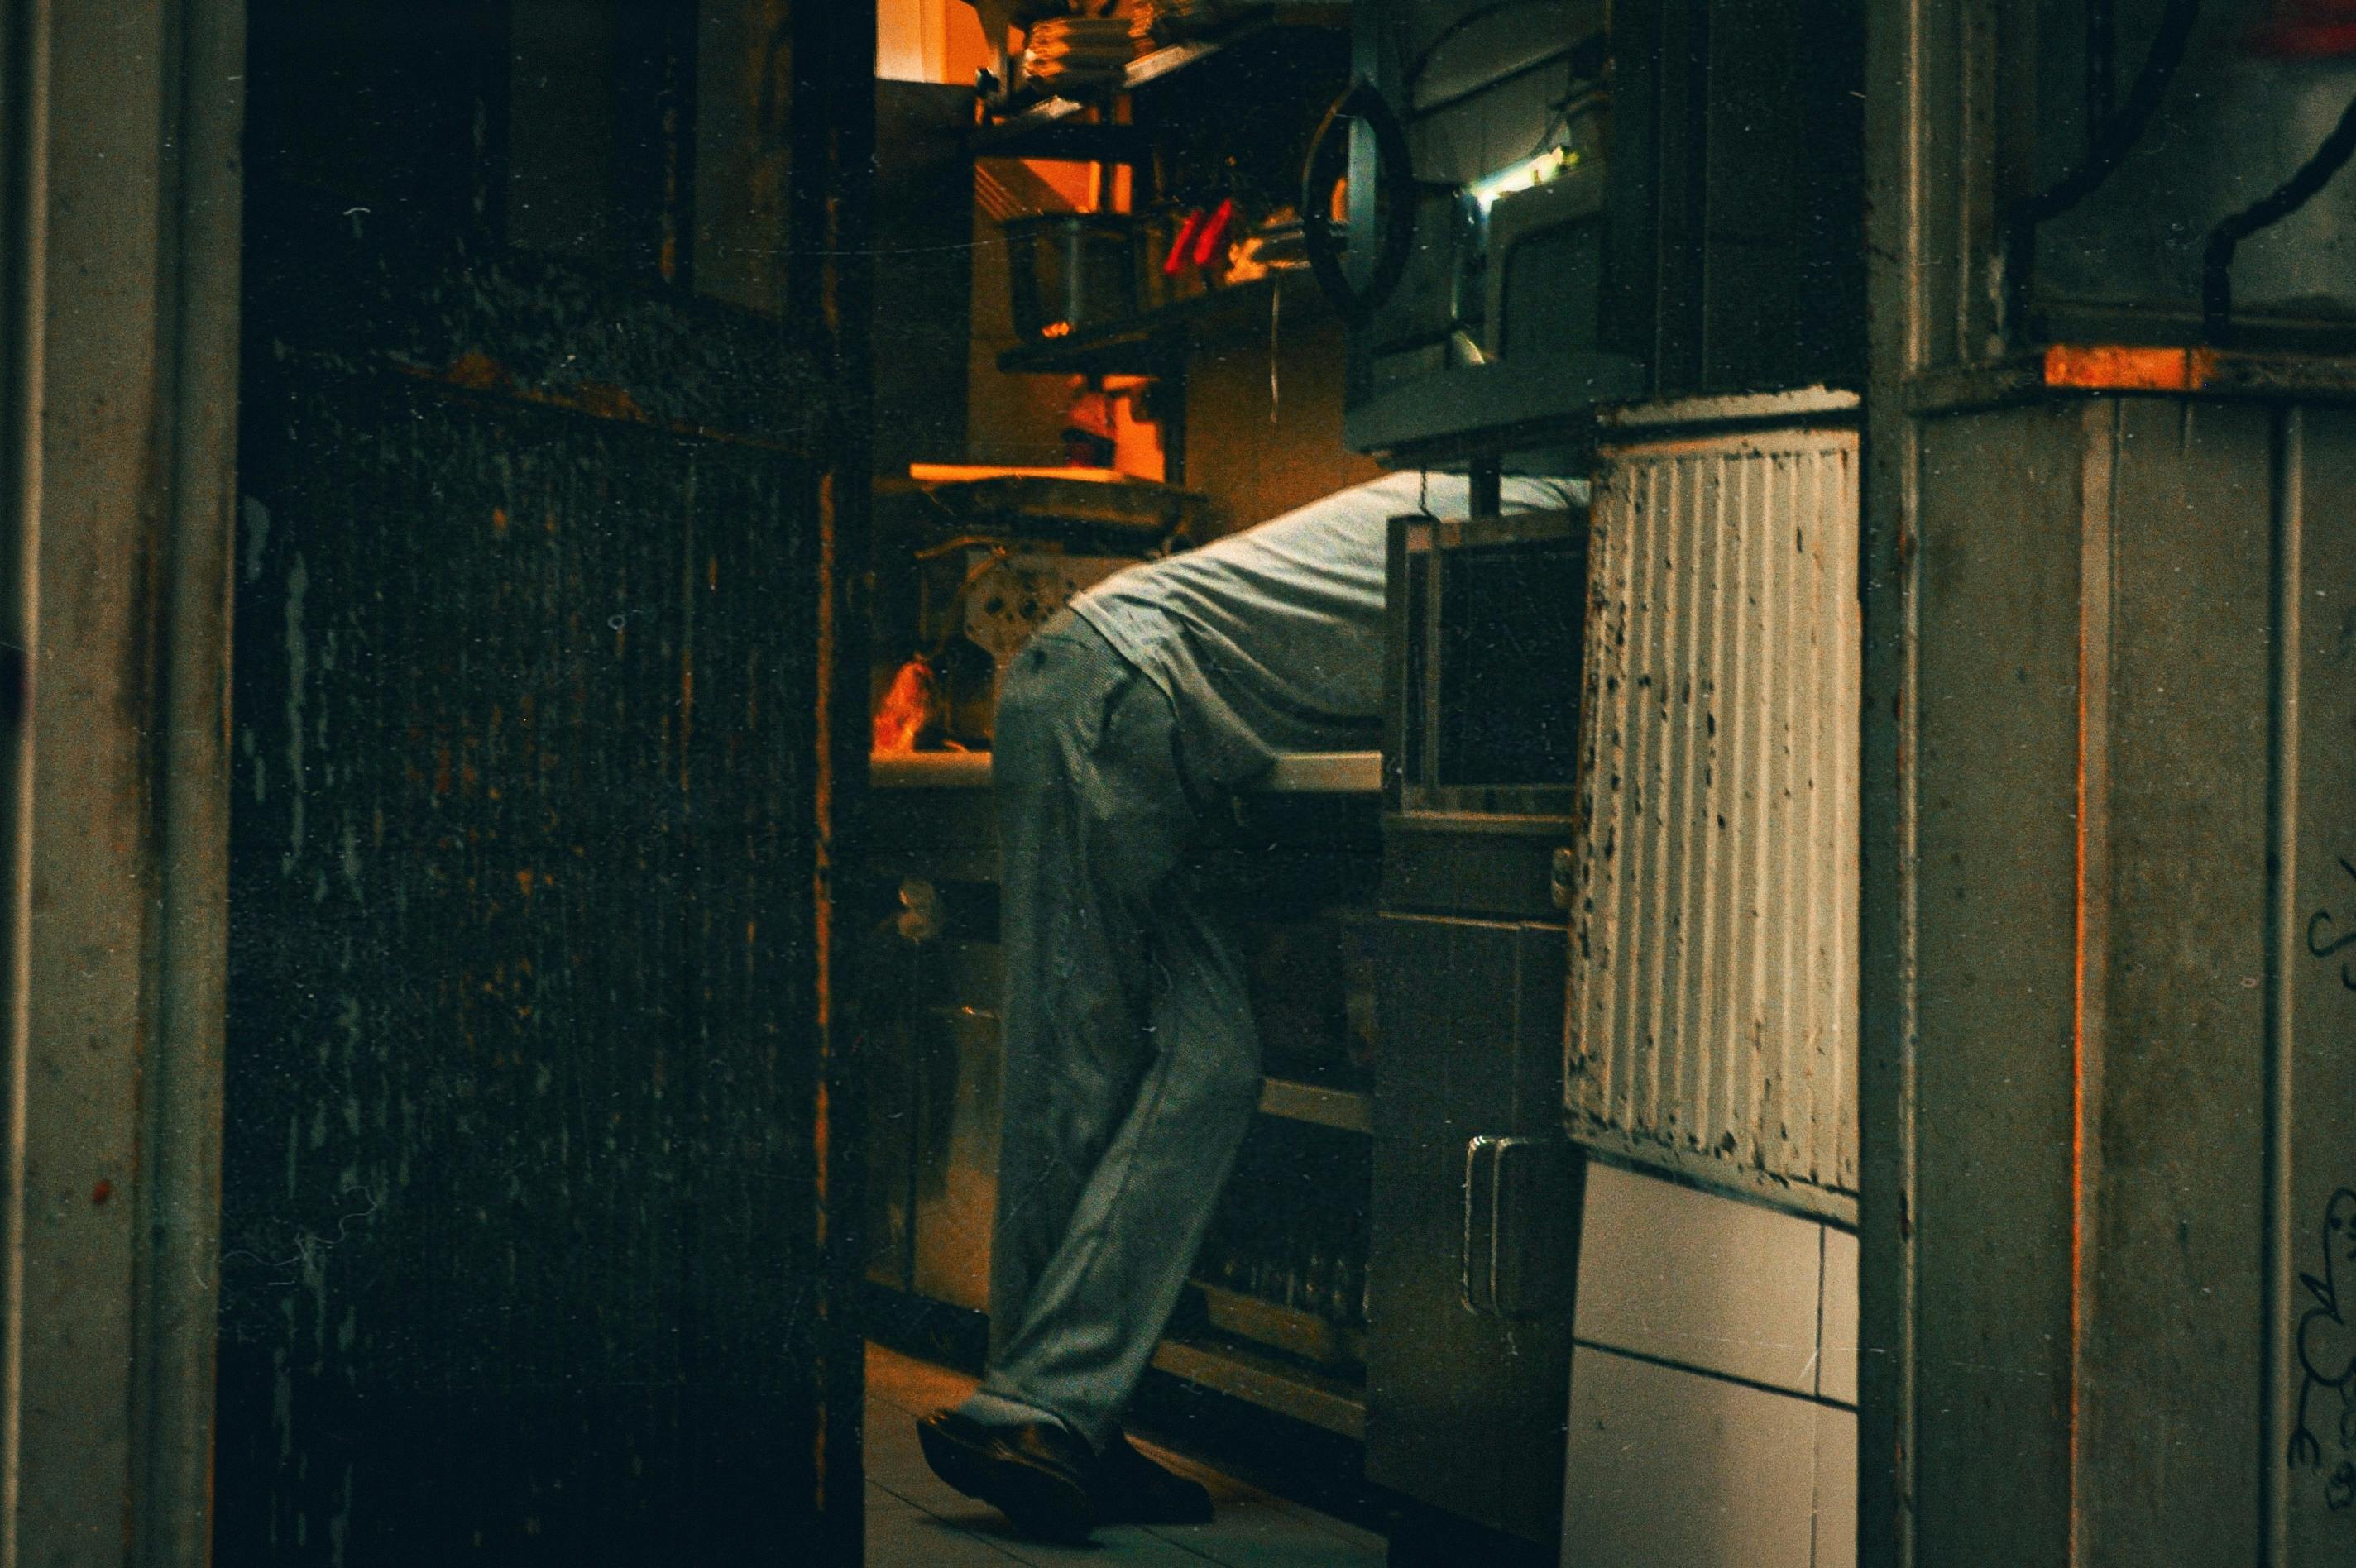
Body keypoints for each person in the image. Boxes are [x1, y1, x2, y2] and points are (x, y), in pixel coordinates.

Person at [915, 468, 1585, 1542]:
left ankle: (1059, 1414)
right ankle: (1033, 1414)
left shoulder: (1501, 496)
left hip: (1141, 713)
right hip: (1116, 699)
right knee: (1077, 1073)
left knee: (1211, 1065)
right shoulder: (1547, 524)